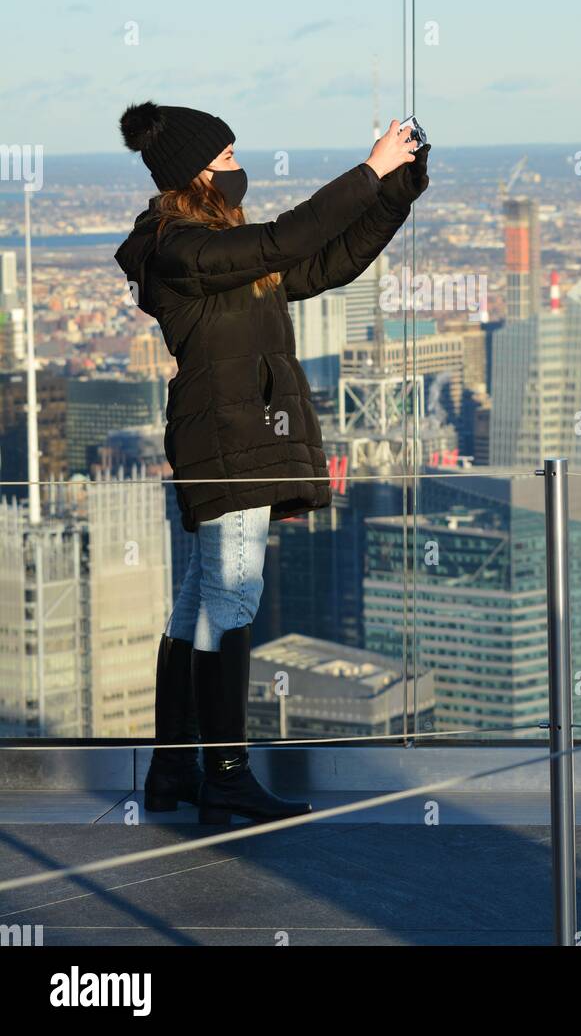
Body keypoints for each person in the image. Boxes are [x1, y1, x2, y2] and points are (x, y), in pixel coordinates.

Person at [114, 101, 429, 824]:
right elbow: (283, 241)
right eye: (226, 158)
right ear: (193, 172)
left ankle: (174, 769)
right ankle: (224, 774)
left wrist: (394, 191)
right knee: (231, 603)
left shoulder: (218, 249)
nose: (237, 168)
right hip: (224, 443)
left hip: (236, 439)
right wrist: (369, 169)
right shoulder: (177, 247)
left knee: (200, 605)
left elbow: (325, 262)